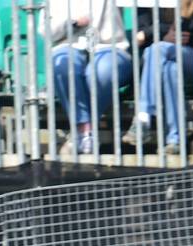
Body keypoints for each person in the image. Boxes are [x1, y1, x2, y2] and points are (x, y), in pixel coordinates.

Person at [124, 0, 193, 154]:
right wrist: (167, 34)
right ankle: (175, 140)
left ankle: (143, 117)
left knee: (156, 50)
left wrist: (155, 32)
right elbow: (139, 32)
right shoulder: (145, 3)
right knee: (170, 69)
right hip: (162, 57)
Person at [43, 0, 132, 156]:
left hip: (110, 46)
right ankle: (85, 128)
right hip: (67, 44)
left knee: (99, 73)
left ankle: (81, 132)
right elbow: (46, 31)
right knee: (62, 66)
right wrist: (73, 23)